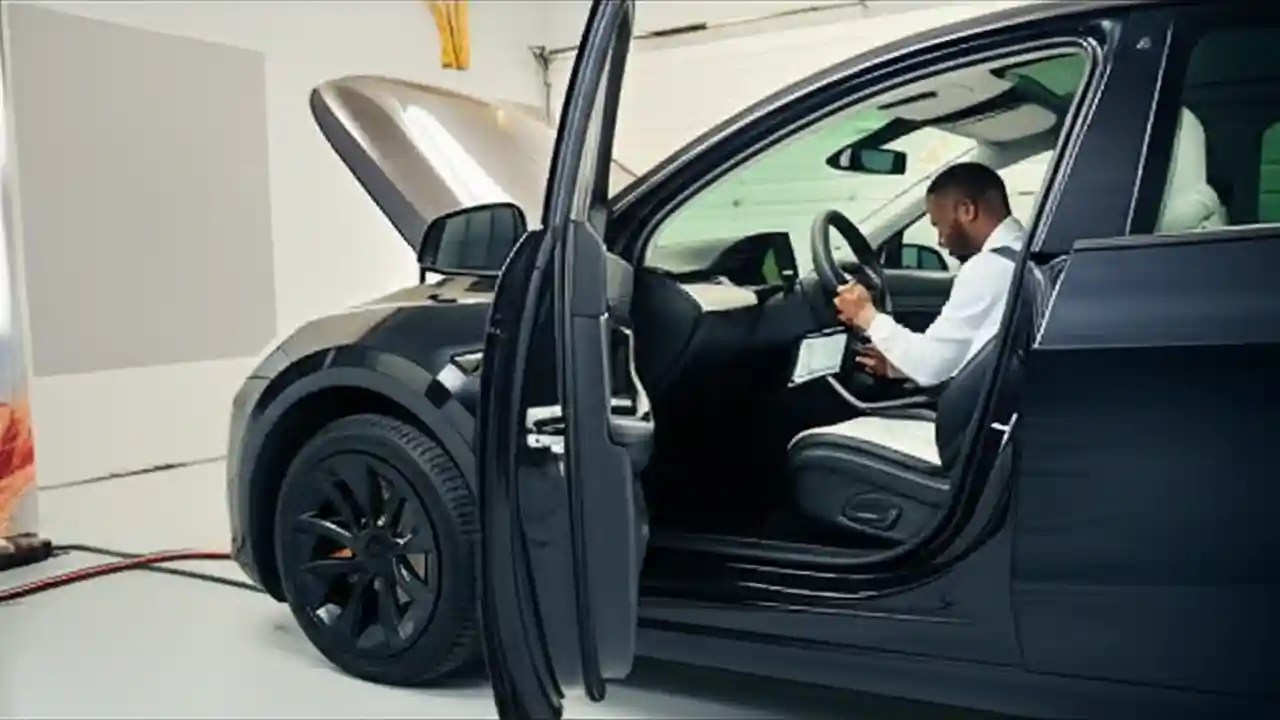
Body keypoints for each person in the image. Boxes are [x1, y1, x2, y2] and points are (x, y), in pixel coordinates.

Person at [833, 162, 1026, 387]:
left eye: (939, 225)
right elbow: (967, 355)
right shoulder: (1023, 250)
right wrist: (897, 366)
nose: (940, 241)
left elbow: (930, 366)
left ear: (967, 210)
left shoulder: (988, 268)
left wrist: (866, 315)